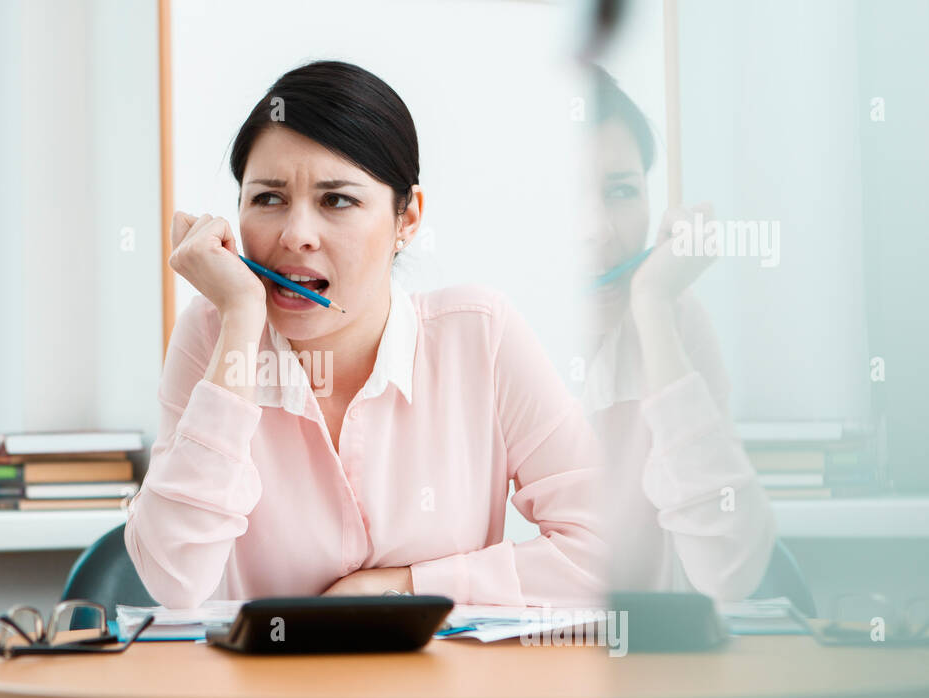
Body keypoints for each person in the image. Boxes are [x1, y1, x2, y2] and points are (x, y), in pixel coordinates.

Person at [125, 60, 607, 609]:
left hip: (442, 693)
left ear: (407, 219)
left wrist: (408, 587)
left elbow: (606, 555)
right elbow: (175, 579)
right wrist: (238, 319)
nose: (295, 235)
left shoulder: (481, 337)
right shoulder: (215, 336)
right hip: (267, 692)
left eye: (337, 200)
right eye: (268, 198)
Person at [577, 65, 775, 601]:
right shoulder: (467, 336)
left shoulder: (671, 319)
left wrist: (655, 306)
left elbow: (728, 572)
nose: (598, 231)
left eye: (621, 191)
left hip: (648, 675)